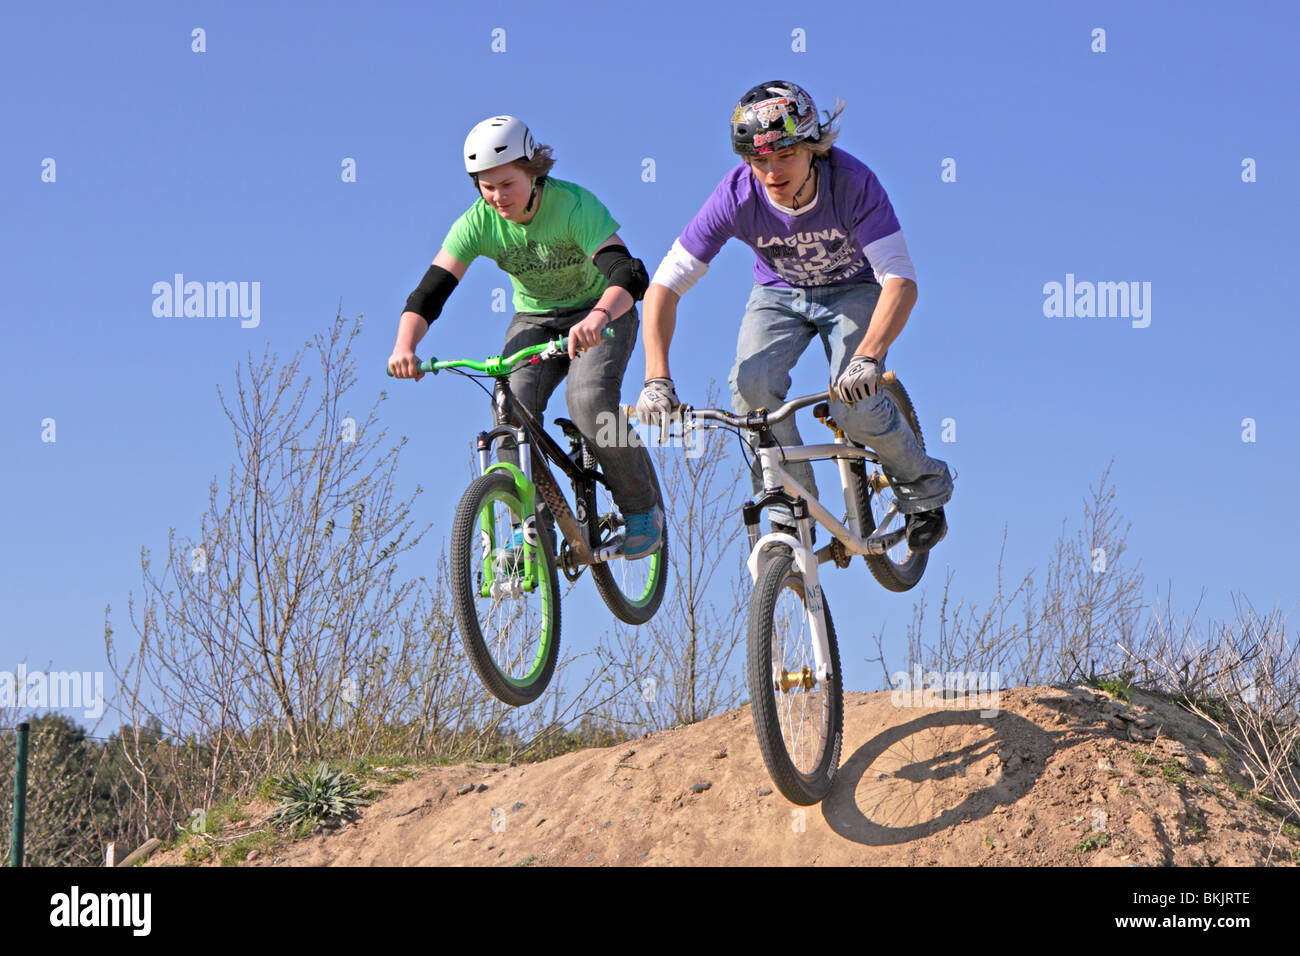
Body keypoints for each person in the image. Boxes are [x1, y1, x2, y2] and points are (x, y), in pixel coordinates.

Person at [635, 81, 952, 551]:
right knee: (750, 392)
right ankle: (791, 500)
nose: (770, 171)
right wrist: (655, 377)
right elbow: (664, 286)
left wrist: (869, 356)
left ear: (812, 147)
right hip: (778, 293)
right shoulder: (737, 195)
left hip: (855, 287)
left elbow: (900, 280)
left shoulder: (852, 183)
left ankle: (924, 492)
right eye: (758, 160)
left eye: (784, 155)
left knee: (853, 400)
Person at [388, 115, 663, 558]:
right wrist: (406, 346)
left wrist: (597, 316)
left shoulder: (573, 206)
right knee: (508, 412)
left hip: (602, 311)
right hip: (536, 319)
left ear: (533, 172)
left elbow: (628, 273)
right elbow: (429, 293)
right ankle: (531, 527)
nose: (497, 197)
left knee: (588, 400)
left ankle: (641, 508)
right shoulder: (477, 223)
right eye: (486, 186)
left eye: (506, 184)